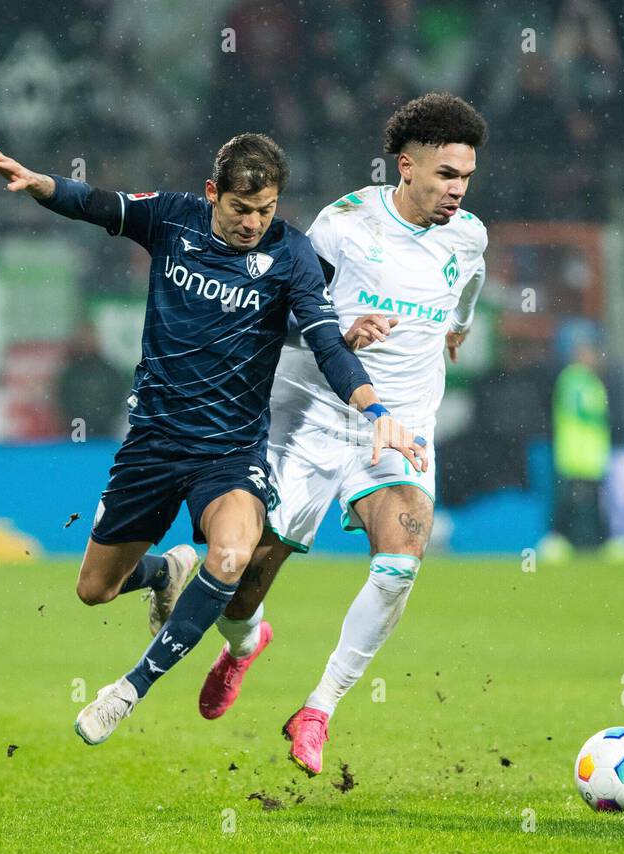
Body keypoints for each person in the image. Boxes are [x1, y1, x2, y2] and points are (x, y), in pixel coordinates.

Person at [0, 134, 423, 746]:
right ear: (214, 194)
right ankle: (164, 573)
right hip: (153, 444)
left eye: (265, 210)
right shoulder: (173, 219)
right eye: (241, 209)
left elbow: (323, 340)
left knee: (234, 555)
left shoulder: (291, 255)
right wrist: (40, 185)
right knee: (95, 589)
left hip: (231, 452)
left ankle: (127, 690)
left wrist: (374, 408)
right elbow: (98, 203)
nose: (253, 223)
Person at [191, 93, 489, 775]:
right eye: (445, 174)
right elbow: (281, 312)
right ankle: (243, 645)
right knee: (237, 586)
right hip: (318, 418)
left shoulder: (468, 235)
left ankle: (317, 709)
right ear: (405, 166)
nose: (457, 190)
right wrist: (341, 334)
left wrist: (458, 332)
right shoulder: (344, 225)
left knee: (402, 556)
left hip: (402, 428)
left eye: (466, 176)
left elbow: (467, 291)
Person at [540, 329, 610, 560]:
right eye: (589, 352)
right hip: (575, 454)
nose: (594, 357)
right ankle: (557, 540)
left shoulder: (592, 380)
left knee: (592, 503)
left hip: (592, 455)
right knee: (569, 500)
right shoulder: (574, 379)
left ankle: (599, 543)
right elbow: (585, 411)